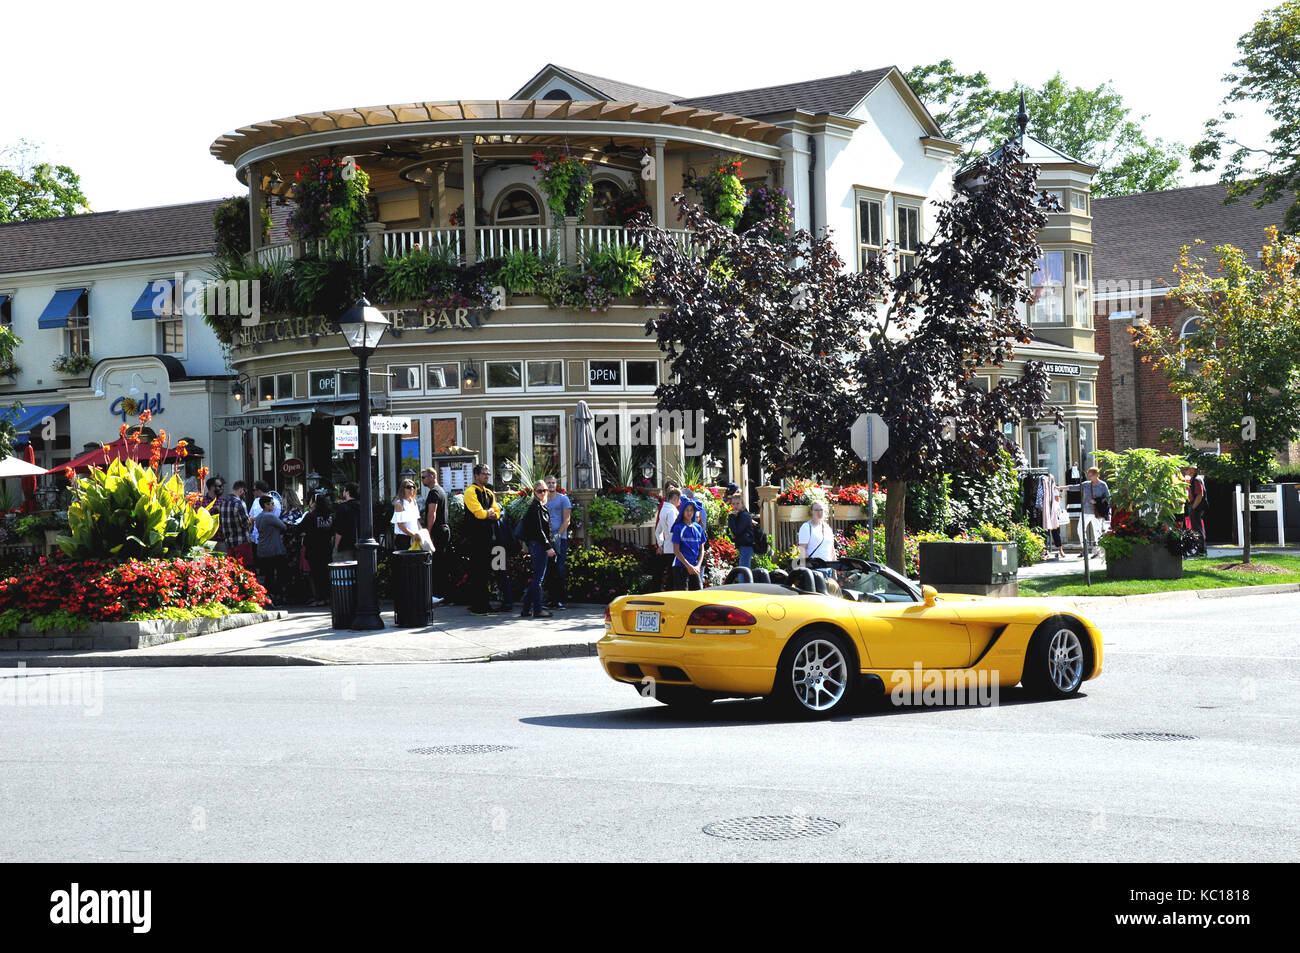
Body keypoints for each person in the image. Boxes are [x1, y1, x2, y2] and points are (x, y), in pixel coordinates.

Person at [463, 463, 502, 615]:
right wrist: (489, 513)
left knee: (485, 572)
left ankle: (485, 604)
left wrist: (491, 512)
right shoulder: (470, 491)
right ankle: (477, 606)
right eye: (484, 473)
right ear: (476, 475)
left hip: (487, 537)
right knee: (476, 572)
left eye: (488, 473)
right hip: (475, 538)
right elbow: (478, 513)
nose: (487, 476)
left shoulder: (488, 492)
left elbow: (497, 511)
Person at [518, 481, 558, 618]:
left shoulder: (540, 506)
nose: (543, 493)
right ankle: (538, 609)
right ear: (534, 492)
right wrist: (548, 547)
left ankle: (526, 608)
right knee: (538, 579)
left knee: (537, 578)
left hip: (539, 544)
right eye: (540, 491)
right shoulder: (535, 507)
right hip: (539, 545)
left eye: (545, 490)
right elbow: (538, 531)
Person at [1066, 467, 1110, 559]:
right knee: (1080, 529)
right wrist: (1060, 488)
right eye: (1089, 475)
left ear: (1097, 475)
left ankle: (1097, 550)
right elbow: (1075, 487)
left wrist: (1097, 501)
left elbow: (1107, 498)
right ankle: (1084, 548)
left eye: (1091, 475)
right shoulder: (1086, 484)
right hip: (1085, 511)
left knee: (1097, 532)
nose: (1090, 477)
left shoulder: (1103, 485)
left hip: (1096, 512)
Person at [421, 467, 450, 602]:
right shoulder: (441, 491)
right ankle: (442, 592)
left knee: (436, 563)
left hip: (438, 530)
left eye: (424, 477)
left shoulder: (434, 493)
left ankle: (437, 594)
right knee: (442, 561)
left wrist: (428, 531)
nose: (422, 480)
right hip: (444, 528)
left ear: (432, 477)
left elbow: (432, 513)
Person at [542, 474, 571, 609]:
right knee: (548, 569)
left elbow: (567, 520)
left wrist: (558, 535)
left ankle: (560, 600)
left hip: (560, 538)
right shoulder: (542, 500)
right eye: (549, 483)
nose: (551, 485)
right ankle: (551, 599)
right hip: (545, 538)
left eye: (553, 483)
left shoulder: (563, 499)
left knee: (559, 568)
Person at [253, 496, 288, 601]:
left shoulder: (258, 517)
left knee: (267, 574)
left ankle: (267, 596)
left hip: (262, 549)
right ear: (265, 505)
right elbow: (284, 527)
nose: (273, 505)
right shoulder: (270, 517)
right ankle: (275, 596)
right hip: (273, 549)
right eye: (272, 503)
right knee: (276, 574)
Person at [303, 494, 334, 606]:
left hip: (313, 548)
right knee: (326, 573)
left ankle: (319, 598)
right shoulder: (329, 516)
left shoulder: (310, 516)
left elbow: (300, 528)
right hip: (326, 548)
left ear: (314, 503)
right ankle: (328, 597)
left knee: (316, 574)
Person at [671, 501, 706, 591]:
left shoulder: (698, 528)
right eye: (687, 510)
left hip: (694, 568)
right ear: (682, 511)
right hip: (680, 567)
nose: (689, 512)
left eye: (691, 510)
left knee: (698, 594)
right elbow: (676, 550)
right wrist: (688, 566)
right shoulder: (678, 528)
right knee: (683, 598)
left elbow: (702, 550)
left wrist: (698, 566)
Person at [391, 480, 435, 552]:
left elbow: (416, 520)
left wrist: (421, 533)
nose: (411, 489)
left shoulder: (414, 502)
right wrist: (413, 535)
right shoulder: (399, 504)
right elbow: (400, 525)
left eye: (413, 487)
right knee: (405, 562)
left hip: (415, 538)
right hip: (403, 538)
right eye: (408, 487)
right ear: (403, 489)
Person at [217, 480, 252, 566]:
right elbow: (245, 523)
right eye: (245, 492)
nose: (245, 495)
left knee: (233, 571)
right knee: (245, 571)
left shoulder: (223, 503)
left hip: (229, 543)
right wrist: (252, 519)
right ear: (241, 490)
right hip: (242, 543)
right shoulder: (239, 503)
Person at [797, 502, 836, 576]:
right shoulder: (806, 527)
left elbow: (832, 550)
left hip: (828, 569)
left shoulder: (827, 528)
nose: (819, 512)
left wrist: (834, 569)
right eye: (816, 510)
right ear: (811, 511)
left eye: (821, 510)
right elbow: (802, 549)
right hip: (815, 570)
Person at [654, 488, 682, 589]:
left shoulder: (663, 510)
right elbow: (672, 529)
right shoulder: (671, 511)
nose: (680, 502)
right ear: (675, 498)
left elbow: (658, 531)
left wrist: (661, 544)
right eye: (679, 499)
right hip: (675, 548)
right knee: (674, 577)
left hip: (667, 547)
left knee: (670, 575)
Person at [727, 491, 759, 568]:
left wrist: (731, 518)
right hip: (744, 545)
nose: (735, 506)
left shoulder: (743, 515)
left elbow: (736, 531)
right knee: (744, 568)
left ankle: (745, 581)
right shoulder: (739, 515)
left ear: (742, 504)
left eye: (738, 503)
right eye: (733, 504)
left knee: (743, 570)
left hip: (746, 545)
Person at [333, 483, 360, 562]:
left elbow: (339, 530)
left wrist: (336, 545)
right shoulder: (363, 506)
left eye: (344, 490)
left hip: (345, 546)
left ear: (347, 492)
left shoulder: (343, 507)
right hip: (361, 546)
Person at [1185, 466, 1208, 556]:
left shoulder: (1197, 479)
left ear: (1193, 470)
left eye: (1188, 469)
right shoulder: (1194, 479)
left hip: (1197, 507)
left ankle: (1201, 551)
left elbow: (1200, 495)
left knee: (1197, 529)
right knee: (1197, 529)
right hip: (1195, 506)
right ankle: (1200, 550)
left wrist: (1193, 507)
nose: (1186, 471)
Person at [1045, 488, 1067, 560]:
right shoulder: (1049, 488)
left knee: (1054, 532)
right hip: (1048, 512)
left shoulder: (1053, 489)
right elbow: (1057, 499)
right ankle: (1058, 550)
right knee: (1051, 532)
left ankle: (1060, 550)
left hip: (1053, 512)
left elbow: (1057, 500)